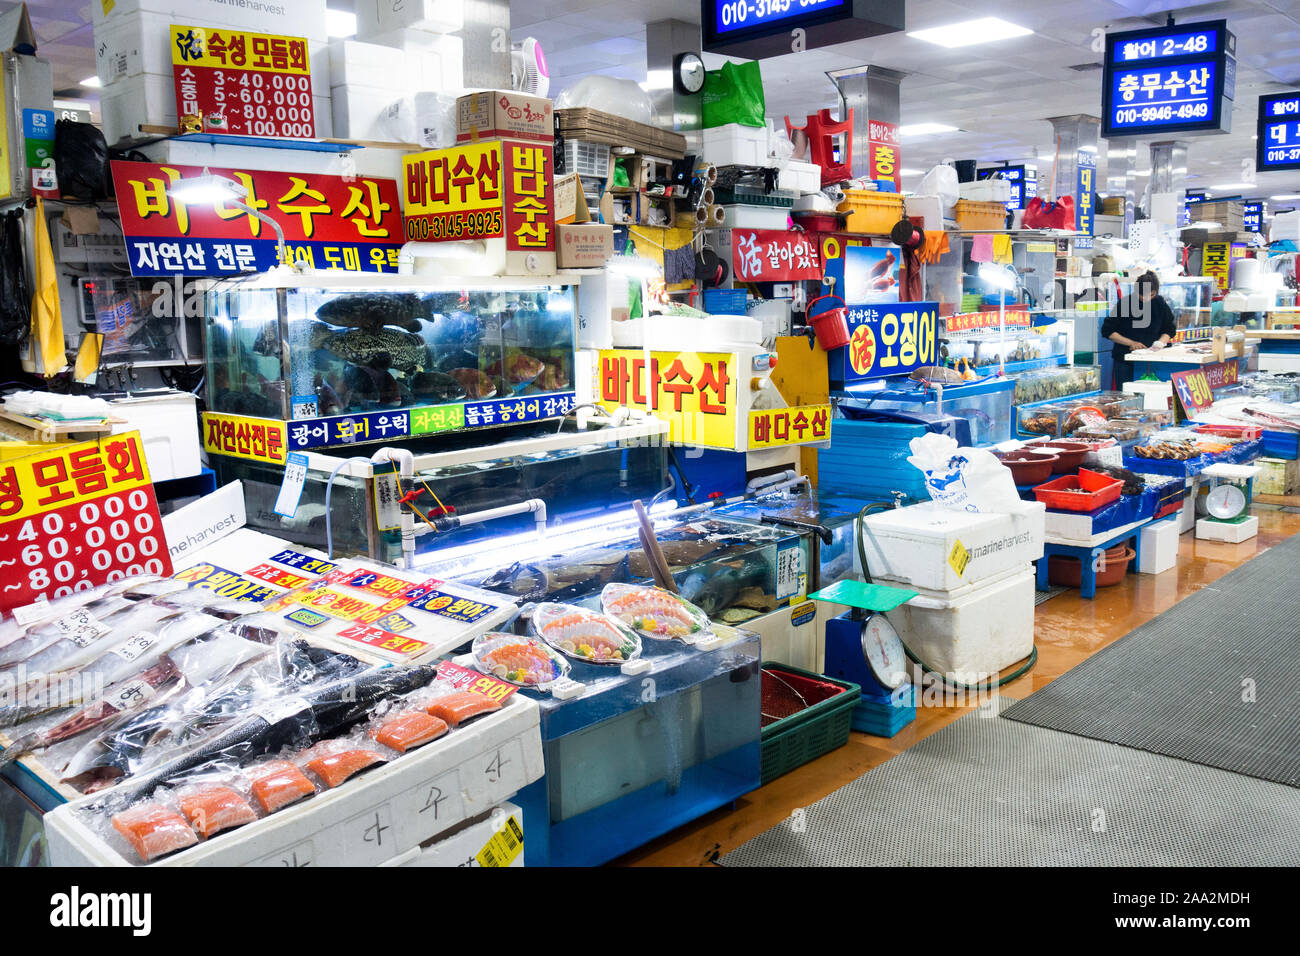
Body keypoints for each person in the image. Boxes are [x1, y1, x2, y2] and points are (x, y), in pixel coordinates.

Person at [1102, 271, 1177, 389]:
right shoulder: (1126, 303)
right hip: (1126, 360)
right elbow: (1108, 331)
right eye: (1142, 295)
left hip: (1152, 360)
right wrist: (1131, 343)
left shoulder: (1160, 303)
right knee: (1126, 396)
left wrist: (1161, 342)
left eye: (1151, 295)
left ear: (1156, 292)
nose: (1147, 298)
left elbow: (1170, 328)